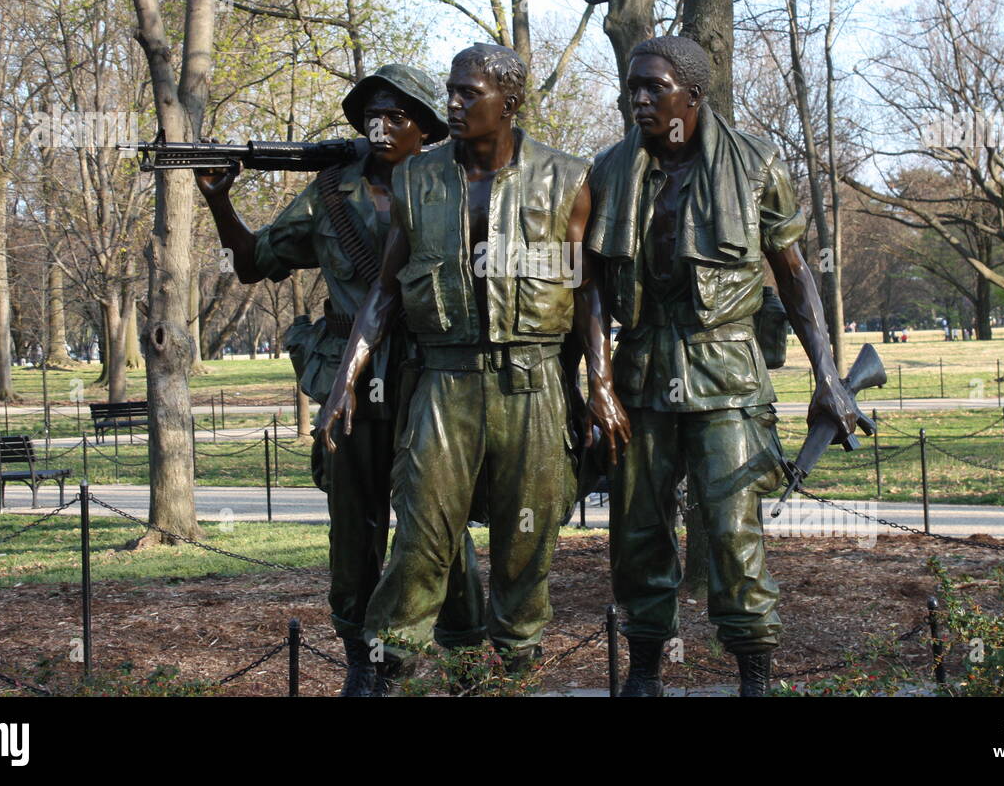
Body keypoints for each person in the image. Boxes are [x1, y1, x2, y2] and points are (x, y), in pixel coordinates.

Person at [318, 43, 629, 689]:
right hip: (444, 382)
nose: (453, 105)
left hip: (534, 381)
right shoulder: (417, 179)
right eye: (451, 93)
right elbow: (385, 290)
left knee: (526, 548)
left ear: (508, 102)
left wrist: (599, 384)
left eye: (468, 94)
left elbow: (587, 290)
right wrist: (346, 378)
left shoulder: (566, 176)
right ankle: (388, 670)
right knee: (422, 539)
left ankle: (513, 673)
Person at [195, 64, 484, 696]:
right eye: (371, 116)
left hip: (429, 372)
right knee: (354, 522)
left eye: (397, 116)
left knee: (438, 517)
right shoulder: (330, 194)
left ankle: (465, 653)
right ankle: (361, 658)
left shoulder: (453, 185)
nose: (381, 127)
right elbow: (251, 262)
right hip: (349, 380)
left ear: (426, 128)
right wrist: (220, 200)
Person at [586, 36, 857, 696]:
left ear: (693, 95)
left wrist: (828, 377)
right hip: (642, 373)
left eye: (654, 87)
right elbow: (588, 284)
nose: (640, 98)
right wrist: (596, 383)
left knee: (737, 537)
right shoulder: (608, 170)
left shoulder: (757, 164)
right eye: (633, 87)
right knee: (639, 534)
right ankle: (644, 673)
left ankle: (753, 679)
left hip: (727, 374)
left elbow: (794, 278)